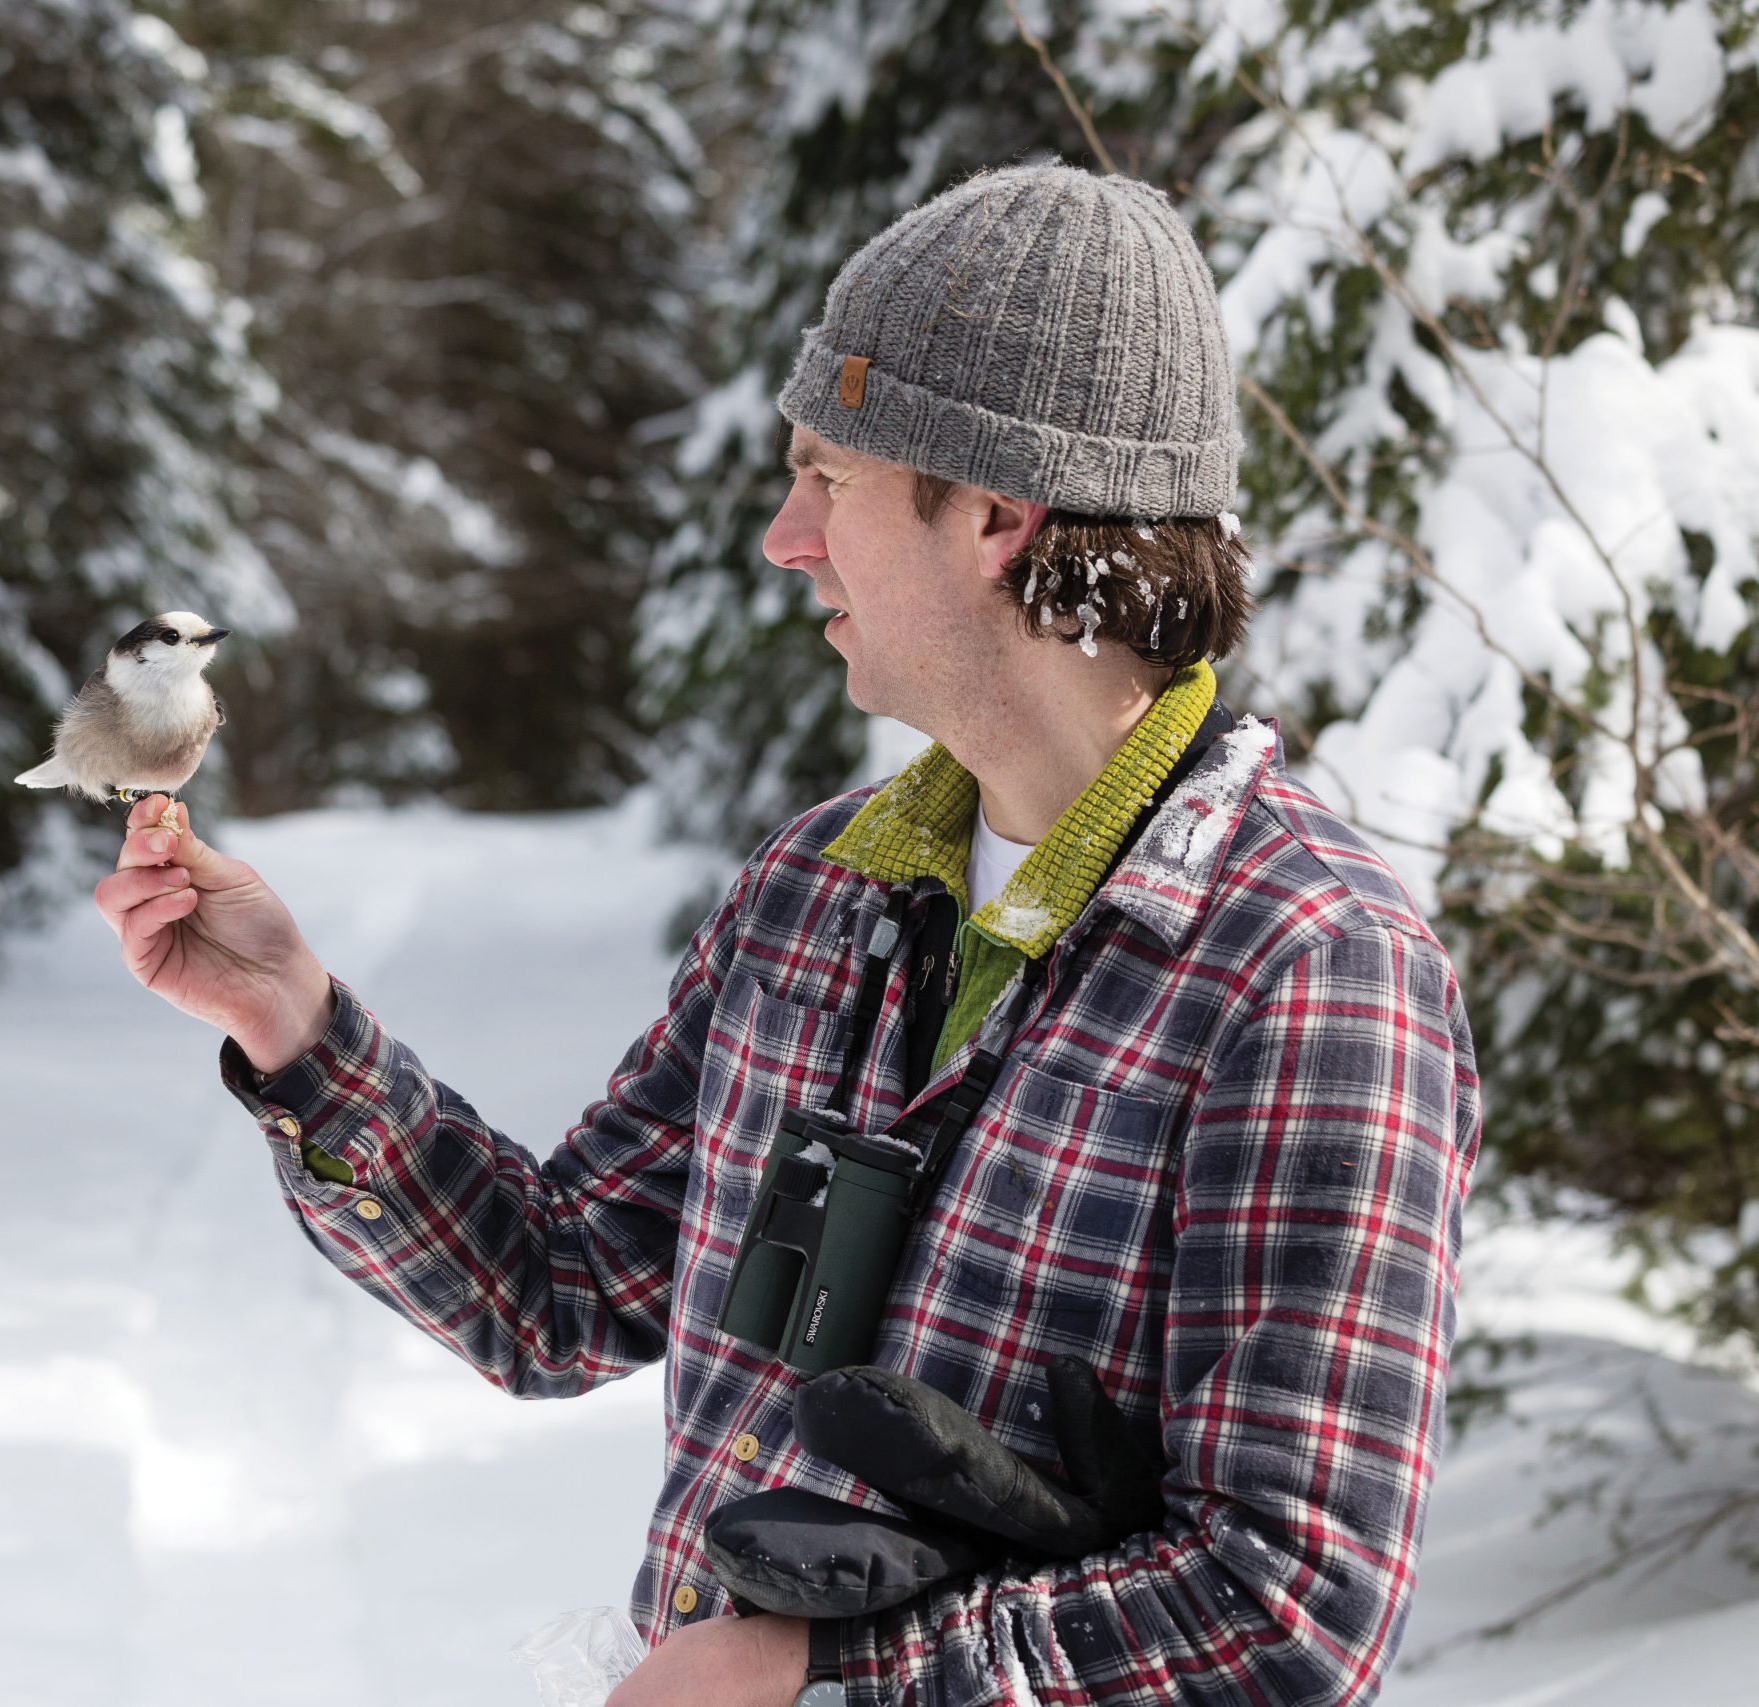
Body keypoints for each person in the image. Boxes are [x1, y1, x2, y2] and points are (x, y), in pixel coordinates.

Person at [94, 162, 1481, 1706]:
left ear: (998, 519)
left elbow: (1290, 1612)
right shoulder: (823, 891)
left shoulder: (1308, 973)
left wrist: (830, 1678)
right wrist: (292, 1023)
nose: (782, 536)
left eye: (828, 477)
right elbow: (555, 1291)